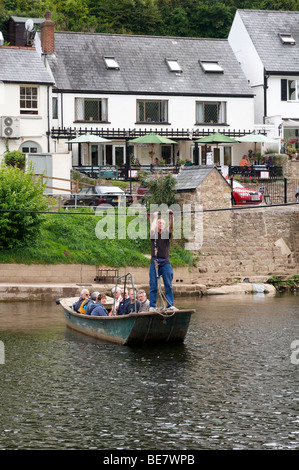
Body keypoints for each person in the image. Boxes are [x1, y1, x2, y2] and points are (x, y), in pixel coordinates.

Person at [149, 210, 176, 311]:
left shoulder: (166, 234)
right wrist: (155, 217)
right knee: (153, 285)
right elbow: (152, 229)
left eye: (163, 223)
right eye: (160, 223)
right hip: (154, 263)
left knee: (168, 284)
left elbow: (171, 227)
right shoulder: (154, 234)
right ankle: (152, 306)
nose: (161, 224)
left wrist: (171, 216)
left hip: (165, 262)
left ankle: (170, 305)